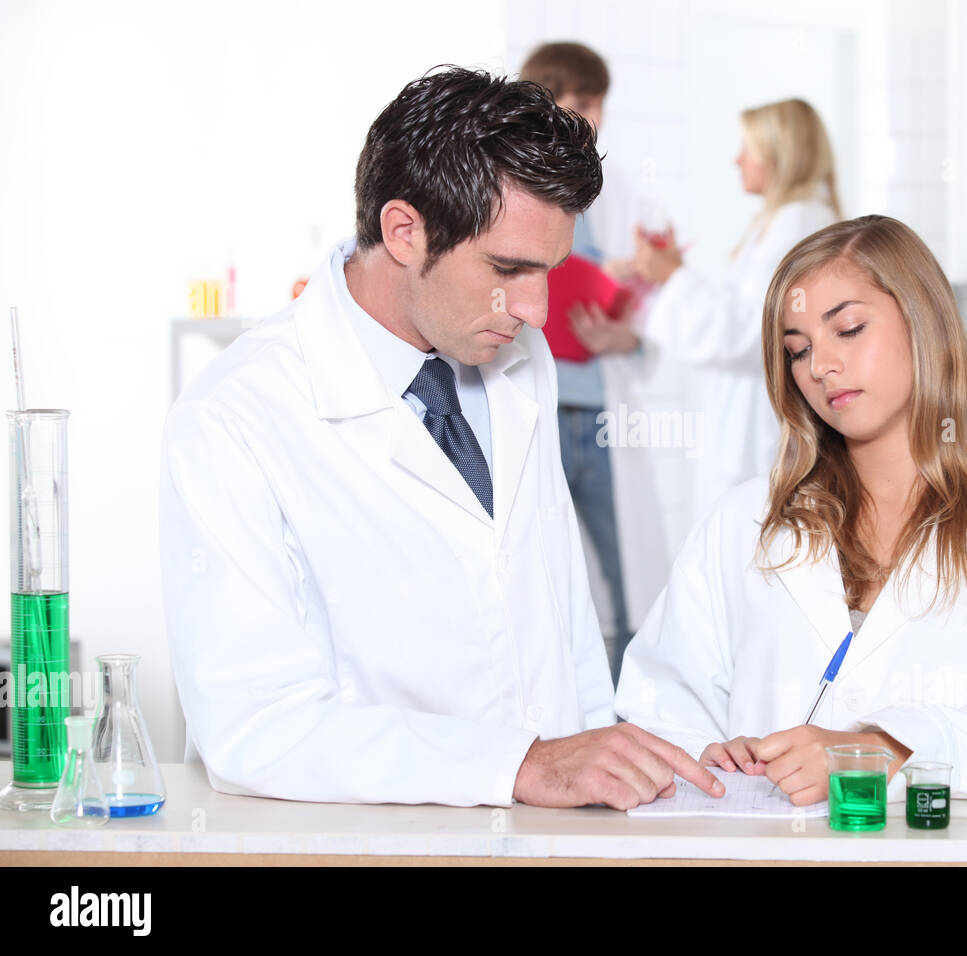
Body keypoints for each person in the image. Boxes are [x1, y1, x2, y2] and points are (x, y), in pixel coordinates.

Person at [159, 68, 723, 810]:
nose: (537, 309)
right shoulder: (236, 417)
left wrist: (601, 774)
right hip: (378, 852)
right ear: (405, 230)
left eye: (550, 270)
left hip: (551, 845)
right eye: (509, 268)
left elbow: (564, 623)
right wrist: (521, 765)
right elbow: (257, 727)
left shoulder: (517, 357)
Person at [614, 216, 967, 805]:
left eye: (850, 329)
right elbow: (657, 709)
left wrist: (888, 749)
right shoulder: (744, 525)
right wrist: (708, 758)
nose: (819, 366)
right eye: (798, 349)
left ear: (924, 322)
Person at [574, 98, 842, 528]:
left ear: (780, 154)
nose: (738, 160)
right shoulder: (783, 220)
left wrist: (672, 276)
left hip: (759, 428)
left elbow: (749, 332)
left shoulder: (797, 222)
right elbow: (743, 312)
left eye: (748, 148)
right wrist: (668, 275)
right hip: (746, 422)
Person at [517, 41, 633, 683]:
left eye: (598, 105)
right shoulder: (514, 186)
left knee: (622, 567)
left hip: (597, 406)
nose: (595, 118)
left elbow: (639, 308)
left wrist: (625, 321)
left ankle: (623, 699)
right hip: (544, 400)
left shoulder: (604, 192)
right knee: (546, 565)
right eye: (583, 103)